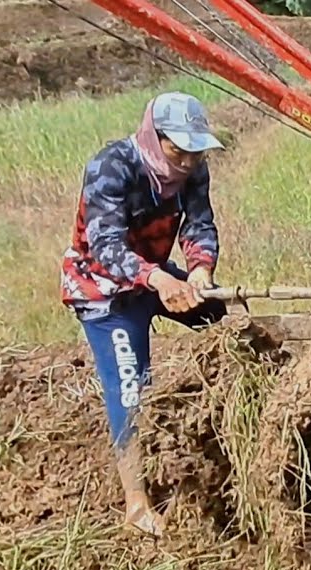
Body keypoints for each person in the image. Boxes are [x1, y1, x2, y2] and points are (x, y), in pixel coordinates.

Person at [61, 92, 228, 537]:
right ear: (155, 139)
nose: (189, 161)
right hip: (104, 290)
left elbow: (199, 224)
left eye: (196, 151)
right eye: (180, 150)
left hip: (154, 277)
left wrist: (199, 270)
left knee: (225, 319)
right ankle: (137, 504)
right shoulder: (112, 167)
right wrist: (160, 282)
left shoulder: (192, 172)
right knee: (132, 388)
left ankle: (221, 419)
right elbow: (106, 246)